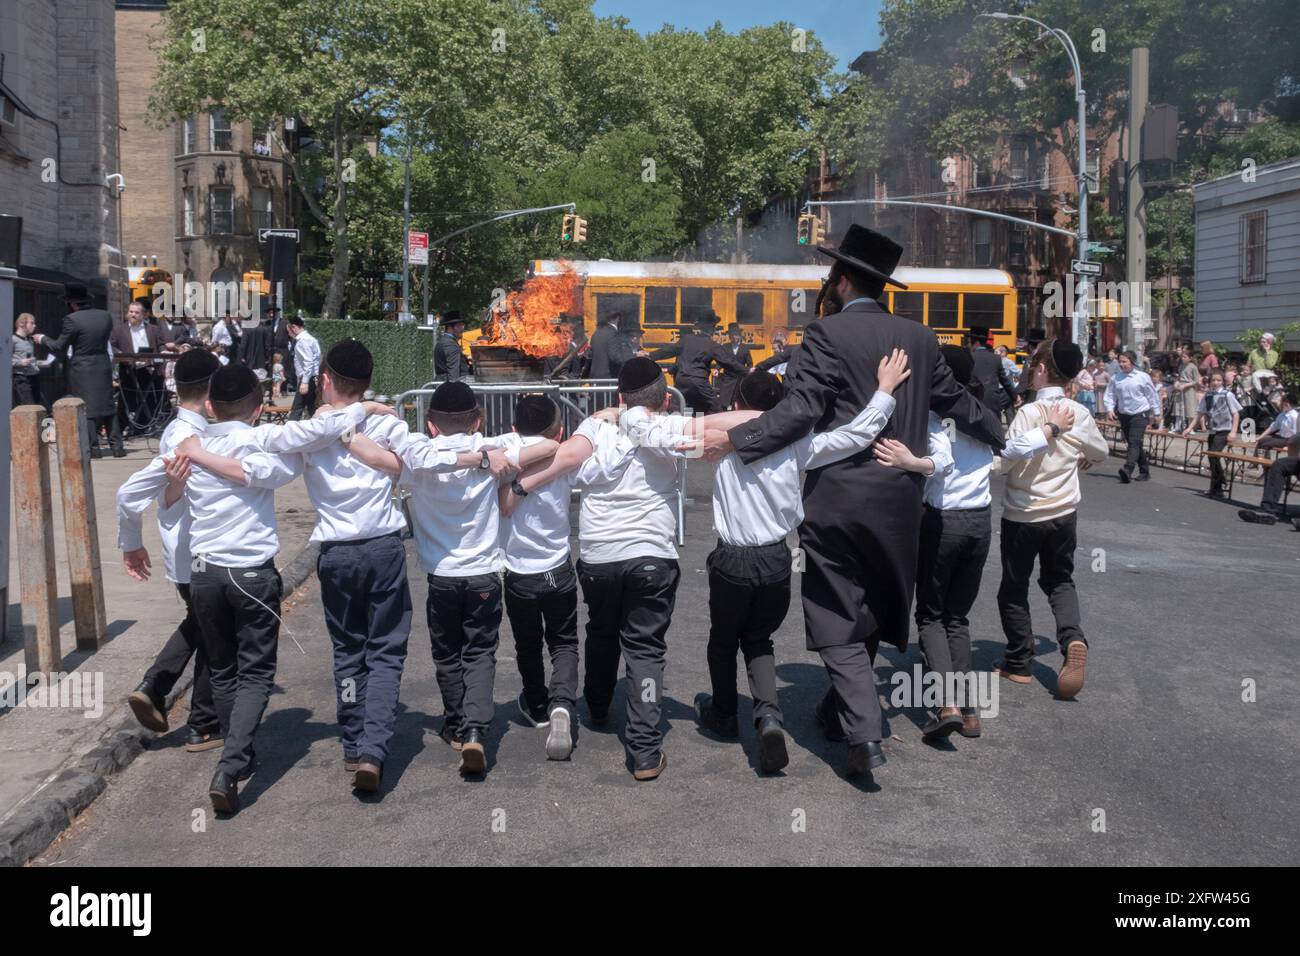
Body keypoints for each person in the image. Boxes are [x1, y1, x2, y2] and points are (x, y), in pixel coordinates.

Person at [701, 224, 1004, 778]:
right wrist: (999, 429)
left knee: (839, 611)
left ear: (841, 280)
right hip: (900, 500)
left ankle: (864, 736)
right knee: (871, 607)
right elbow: (957, 403)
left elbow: (800, 410)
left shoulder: (826, 334)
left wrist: (740, 440)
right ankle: (841, 713)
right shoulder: (919, 338)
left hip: (838, 499)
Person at [693, 359, 910, 772]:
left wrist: (622, 417)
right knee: (759, 639)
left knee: (723, 640)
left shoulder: (722, 443)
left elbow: (669, 435)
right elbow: (857, 434)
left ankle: (723, 713)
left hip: (732, 557)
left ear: (738, 404)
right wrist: (884, 390)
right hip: (778, 557)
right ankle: (768, 716)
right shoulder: (799, 444)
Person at [176, 365, 372, 813]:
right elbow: (303, 442)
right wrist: (364, 408)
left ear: (209, 405)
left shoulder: (191, 443)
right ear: (260, 407)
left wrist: (131, 537)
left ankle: (238, 756)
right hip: (249, 573)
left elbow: (142, 491)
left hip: (203, 572)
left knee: (223, 669)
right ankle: (229, 767)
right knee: (257, 673)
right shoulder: (257, 441)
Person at [356, 381, 555, 776]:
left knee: (447, 653)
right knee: (480, 651)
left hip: (441, 575)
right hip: (483, 573)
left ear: (430, 424)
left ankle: (456, 723)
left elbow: (367, 451)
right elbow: (549, 447)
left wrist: (372, 410)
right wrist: (490, 452)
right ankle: (478, 729)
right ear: (477, 420)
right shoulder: (493, 452)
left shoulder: (420, 458)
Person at [875, 345, 1077, 736]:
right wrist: (1051, 430)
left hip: (943, 522)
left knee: (931, 615)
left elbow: (943, 462)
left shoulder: (935, 417)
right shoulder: (984, 413)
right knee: (957, 617)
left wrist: (909, 462)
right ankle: (967, 709)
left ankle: (946, 703)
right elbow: (1012, 448)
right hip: (979, 523)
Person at [494, 395, 634, 760]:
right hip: (557, 567)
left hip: (517, 571)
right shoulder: (563, 458)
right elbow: (601, 468)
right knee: (564, 642)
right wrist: (608, 421)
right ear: (560, 431)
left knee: (527, 643)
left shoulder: (505, 451)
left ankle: (537, 704)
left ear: (513, 428)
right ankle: (562, 705)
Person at [118, 349, 225, 752]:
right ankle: (202, 723)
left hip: (186, 552)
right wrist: (131, 545)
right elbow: (129, 494)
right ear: (212, 391)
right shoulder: (188, 439)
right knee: (215, 634)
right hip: (199, 551)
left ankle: (157, 688)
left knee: (201, 625)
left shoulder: (179, 430)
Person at [992, 339, 1109, 700]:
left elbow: (1004, 462)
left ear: (1042, 369)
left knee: (1013, 588)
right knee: (1060, 580)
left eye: (1032, 365)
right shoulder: (1080, 412)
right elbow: (1101, 451)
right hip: (1063, 513)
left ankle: (1019, 662)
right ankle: (1072, 638)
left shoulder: (1029, 412)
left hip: (1024, 513)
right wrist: (1084, 455)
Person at [35, 286, 121, 458]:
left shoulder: (72, 320)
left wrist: (42, 338)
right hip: (102, 364)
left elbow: (59, 346)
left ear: (73, 304)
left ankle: (93, 448)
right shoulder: (105, 316)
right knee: (108, 406)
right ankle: (117, 446)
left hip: (83, 367)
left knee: (87, 408)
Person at [647, 312, 746, 414]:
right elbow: (728, 362)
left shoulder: (687, 339)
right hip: (699, 383)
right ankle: (701, 428)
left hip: (682, 381)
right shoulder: (712, 345)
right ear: (712, 328)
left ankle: (676, 426)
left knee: (677, 409)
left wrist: (650, 355)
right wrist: (747, 371)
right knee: (715, 409)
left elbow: (668, 351)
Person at [1103, 350, 1161, 484]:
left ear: (1132, 362)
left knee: (1134, 442)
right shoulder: (1116, 378)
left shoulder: (1142, 376)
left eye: (1125, 361)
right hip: (1124, 415)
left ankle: (1127, 469)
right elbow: (1110, 395)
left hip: (1140, 413)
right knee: (1134, 443)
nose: (1122, 364)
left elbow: (1152, 395)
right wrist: (1110, 409)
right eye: (1120, 361)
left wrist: (1156, 413)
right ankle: (1144, 471)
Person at [1184, 370, 1241, 499]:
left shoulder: (1227, 395)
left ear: (1223, 382)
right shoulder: (1208, 395)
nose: (1215, 383)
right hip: (1213, 429)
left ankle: (1220, 484)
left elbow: (1236, 413)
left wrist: (1233, 431)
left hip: (1224, 430)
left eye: (1218, 380)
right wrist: (1189, 428)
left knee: (1214, 455)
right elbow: (1200, 413)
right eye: (1213, 380)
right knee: (1211, 457)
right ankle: (1215, 487)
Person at [111, 301, 166, 433]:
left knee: (148, 398)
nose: (133, 315)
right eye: (131, 312)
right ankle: (122, 426)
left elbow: (161, 345)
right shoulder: (119, 330)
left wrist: (163, 352)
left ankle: (143, 426)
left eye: (137, 312)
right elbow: (111, 345)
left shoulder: (153, 329)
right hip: (128, 368)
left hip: (148, 368)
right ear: (127, 313)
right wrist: (120, 354)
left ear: (143, 315)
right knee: (127, 398)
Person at [967, 326, 1014, 414]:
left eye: (969, 342)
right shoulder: (996, 358)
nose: (968, 345)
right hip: (993, 405)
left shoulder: (968, 357)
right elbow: (1006, 382)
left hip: (974, 405)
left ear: (976, 343)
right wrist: (1015, 396)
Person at [11, 312, 51, 409]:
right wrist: (19, 363)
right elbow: (4, 360)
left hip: (34, 377)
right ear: (21, 324)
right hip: (22, 378)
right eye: (31, 323)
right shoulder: (13, 340)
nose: (34, 325)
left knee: (37, 407)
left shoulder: (30, 340)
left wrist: (43, 363)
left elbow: (32, 361)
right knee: (29, 407)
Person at [287, 315, 321, 420]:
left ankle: (290, 433)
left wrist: (304, 382)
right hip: (312, 377)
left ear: (294, 327)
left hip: (307, 378)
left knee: (297, 408)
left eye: (289, 330)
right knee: (312, 407)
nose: (288, 334)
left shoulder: (303, 341)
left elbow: (308, 361)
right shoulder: (310, 339)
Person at [714, 323, 753, 410]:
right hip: (728, 377)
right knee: (724, 402)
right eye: (731, 335)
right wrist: (717, 369)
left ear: (739, 335)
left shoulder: (745, 348)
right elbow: (721, 360)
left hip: (740, 378)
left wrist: (748, 372)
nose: (732, 337)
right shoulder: (725, 347)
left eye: (734, 334)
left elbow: (750, 363)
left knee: (738, 402)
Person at [607, 311, 645, 382]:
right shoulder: (623, 347)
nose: (635, 338)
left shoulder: (640, 349)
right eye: (632, 336)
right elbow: (623, 360)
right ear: (627, 336)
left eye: (637, 336)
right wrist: (636, 355)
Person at [435, 311, 470, 381]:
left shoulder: (445, 341)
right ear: (450, 328)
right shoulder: (450, 345)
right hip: (450, 387)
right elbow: (453, 375)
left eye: (462, 325)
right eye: (459, 326)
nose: (462, 328)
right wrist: (454, 390)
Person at [1173, 345, 1201, 433]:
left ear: (1190, 358)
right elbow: (1179, 377)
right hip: (1180, 388)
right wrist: (1176, 383)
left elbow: (1196, 381)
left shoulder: (1193, 367)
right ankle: (1178, 426)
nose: (1183, 359)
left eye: (1185, 357)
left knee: (1190, 408)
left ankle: (1190, 428)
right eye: (1182, 357)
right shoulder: (1181, 366)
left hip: (1189, 389)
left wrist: (1186, 385)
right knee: (1178, 407)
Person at [586, 311, 620, 379]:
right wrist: (634, 355)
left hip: (594, 376)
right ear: (617, 318)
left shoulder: (596, 333)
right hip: (608, 377)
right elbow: (615, 357)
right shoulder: (613, 333)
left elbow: (590, 354)